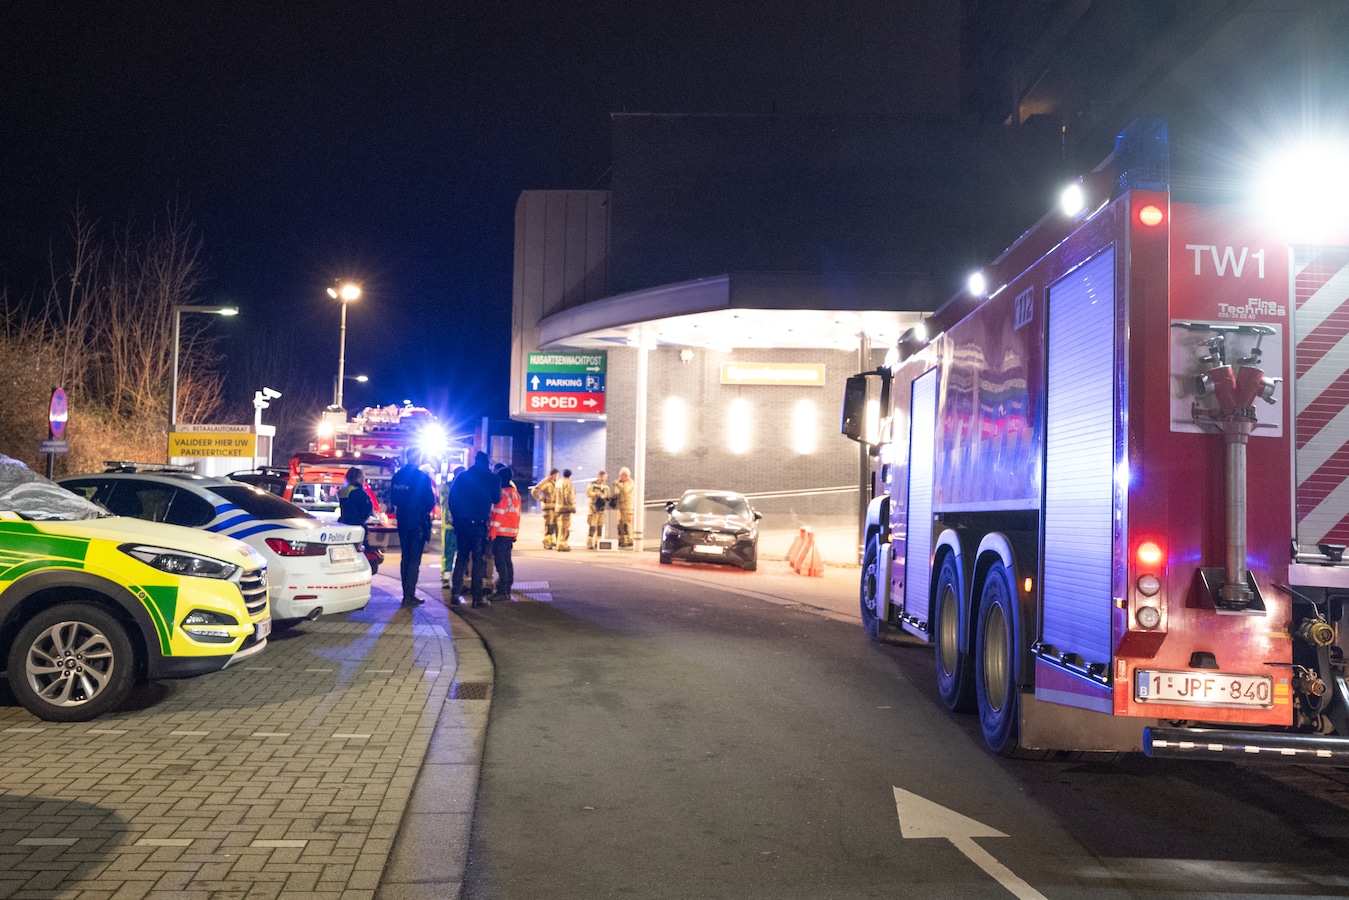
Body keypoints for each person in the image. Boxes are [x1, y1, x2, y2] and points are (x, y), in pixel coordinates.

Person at [449, 451, 501, 607]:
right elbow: (497, 499)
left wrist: (457, 518)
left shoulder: (463, 477)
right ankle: (477, 597)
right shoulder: (493, 478)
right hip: (479, 523)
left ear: (475, 461)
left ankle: (456, 593)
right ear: (487, 463)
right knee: (478, 559)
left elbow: (452, 499)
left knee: (462, 557)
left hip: (462, 523)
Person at [390, 451, 436, 607]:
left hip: (402, 520)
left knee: (406, 557)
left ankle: (406, 594)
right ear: (419, 458)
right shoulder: (422, 477)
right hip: (417, 521)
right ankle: (409, 595)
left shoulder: (397, 476)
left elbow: (393, 499)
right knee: (414, 560)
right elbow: (430, 501)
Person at [488, 466, 521, 600]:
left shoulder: (502, 494)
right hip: (511, 532)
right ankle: (507, 587)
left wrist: (492, 534)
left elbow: (498, 516)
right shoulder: (515, 494)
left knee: (500, 561)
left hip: (501, 533)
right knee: (507, 560)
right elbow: (518, 515)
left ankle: (502, 591)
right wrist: (515, 534)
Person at [440, 466, 464, 588]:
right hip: (457, 526)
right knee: (458, 554)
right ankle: (449, 578)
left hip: (451, 526)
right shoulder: (461, 488)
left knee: (450, 553)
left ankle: (447, 578)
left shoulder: (446, 487)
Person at [530, 468, 559, 549]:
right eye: (556, 475)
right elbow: (534, 491)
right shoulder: (545, 482)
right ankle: (547, 542)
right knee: (549, 525)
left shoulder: (556, 483)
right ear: (551, 475)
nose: (557, 477)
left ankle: (552, 541)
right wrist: (542, 498)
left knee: (555, 526)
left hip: (555, 508)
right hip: (548, 508)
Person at [585, 470, 610, 549]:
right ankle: (590, 542)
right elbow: (588, 493)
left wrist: (606, 497)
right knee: (592, 526)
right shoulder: (592, 485)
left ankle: (598, 542)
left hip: (602, 509)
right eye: (604, 477)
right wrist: (596, 494)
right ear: (600, 476)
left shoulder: (606, 487)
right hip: (594, 508)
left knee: (600, 526)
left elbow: (608, 496)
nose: (606, 478)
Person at [613, 466, 635, 549]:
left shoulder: (630, 482)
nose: (619, 477)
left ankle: (628, 540)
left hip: (627, 507)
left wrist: (618, 484)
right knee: (620, 524)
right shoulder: (620, 482)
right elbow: (617, 492)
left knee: (626, 524)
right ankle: (621, 539)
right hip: (620, 507)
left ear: (625, 475)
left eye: (621, 475)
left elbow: (625, 490)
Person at [555, 468, 576, 552]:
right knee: (565, 528)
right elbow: (568, 496)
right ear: (570, 476)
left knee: (560, 527)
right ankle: (562, 544)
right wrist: (572, 507)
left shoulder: (558, 482)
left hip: (558, 507)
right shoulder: (567, 483)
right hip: (565, 508)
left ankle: (559, 543)